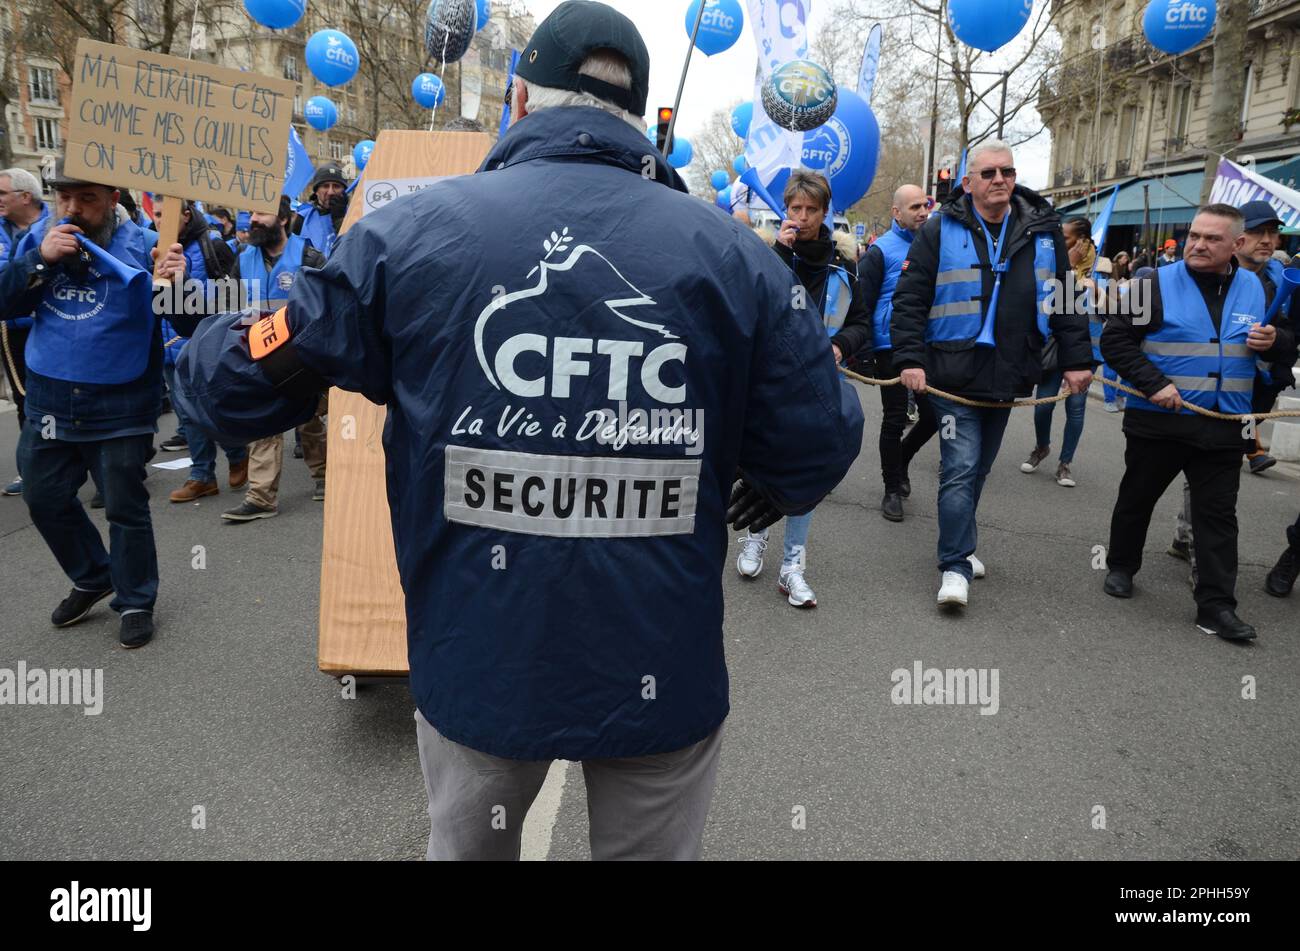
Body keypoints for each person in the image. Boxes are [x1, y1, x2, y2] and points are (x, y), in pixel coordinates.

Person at [176, 0, 862, 860]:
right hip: (660, 666)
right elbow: (822, 438)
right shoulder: (734, 257)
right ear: (641, 123)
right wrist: (769, 480)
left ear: (517, 102)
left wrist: (205, 335)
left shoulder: (408, 238)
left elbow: (239, 388)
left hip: (483, 664)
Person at [890, 139, 1093, 608]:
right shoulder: (939, 229)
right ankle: (955, 566)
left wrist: (1077, 360)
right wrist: (909, 359)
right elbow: (911, 298)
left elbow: (1065, 300)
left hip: (1009, 372)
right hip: (949, 372)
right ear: (967, 183)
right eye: (988, 173)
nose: (999, 179)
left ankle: (962, 540)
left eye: (1007, 171)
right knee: (960, 468)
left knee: (978, 468)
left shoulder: (1043, 233)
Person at [0, 159, 187, 649]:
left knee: (124, 506)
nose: (73, 209)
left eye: (87, 198)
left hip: (121, 400)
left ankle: (136, 600)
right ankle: (92, 575)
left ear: (112, 198)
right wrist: (38, 260)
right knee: (43, 497)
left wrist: (178, 284)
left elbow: (184, 323)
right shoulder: (37, 238)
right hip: (49, 400)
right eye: (65, 197)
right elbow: (5, 304)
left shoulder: (148, 246)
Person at [1101, 204, 1295, 642]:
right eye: (1194, 235)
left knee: (1218, 518)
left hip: (1224, 425)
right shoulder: (1152, 282)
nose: (1198, 245)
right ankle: (1120, 565)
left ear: (1237, 245)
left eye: (1211, 238)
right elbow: (1115, 340)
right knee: (1138, 497)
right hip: (1159, 421)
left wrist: (1275, 341)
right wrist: (1155, 385)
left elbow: (1286, 345)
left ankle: (1216, 607)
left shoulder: (1260, 287)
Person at [735, 169, 867, 607]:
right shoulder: (767, 252)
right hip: (772, 382)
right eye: (796, 208)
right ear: (785, 210)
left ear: (827, 212)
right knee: (767, 462)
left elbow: (861, 323)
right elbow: (744, 308)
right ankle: (756, 535)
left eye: (812, 210)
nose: (804, 217)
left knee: (808, 471)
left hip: (824, 382)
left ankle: (793, 566)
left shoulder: (844, 261)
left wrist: (840, 346)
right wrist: (777, 254)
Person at [825, 183, 937, 522]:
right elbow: (865, 305)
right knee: (894, 418)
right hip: (890, 347)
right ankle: (891, 488)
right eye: (914, 206)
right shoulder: (880, 252)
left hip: (928, 344)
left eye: (925, 205)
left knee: (935, 416)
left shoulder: (934, 245)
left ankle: (902, 456)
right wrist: (869, 353)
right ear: (896, 213)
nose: (922, 212)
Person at [221, 195, 328, 522]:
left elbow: (326, 306)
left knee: (310, 420)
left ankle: (326, 477)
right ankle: (260, 497)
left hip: (301, 356)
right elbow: (233, 308)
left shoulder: (310, 256)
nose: (253, 219)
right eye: (251, 211)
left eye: (261, 212)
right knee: (262, 424)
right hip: (256, 354)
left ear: (283, 219)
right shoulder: (242, 259)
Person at [149, 197, 247, 502]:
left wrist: (187, 283)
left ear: (187, 215)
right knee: (187, 415)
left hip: (205, 345)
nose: (159, 222)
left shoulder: (213, 247)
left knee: (213, 408)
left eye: (168, 215)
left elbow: (232, 300)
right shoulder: (153, 250)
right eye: (157, 215)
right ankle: (201, 476)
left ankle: (236, 452)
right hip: (170, 349)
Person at [1021, 215, 1096, 487]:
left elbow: (1119, 310)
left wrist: (1100, 293)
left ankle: (1065, 464)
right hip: (1054, 348)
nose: (1058, 242)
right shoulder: (1051, 266)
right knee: (1043, 406)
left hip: (1087, 353)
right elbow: (1045, 303)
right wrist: (1069, 270)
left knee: (1076, 408)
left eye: (1064, 238)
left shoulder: (1102, 270)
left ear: (1082, 240)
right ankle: (1042, 447)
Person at [1233, 200, 1297, 475]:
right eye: (1259, 232)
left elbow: (1293, 333)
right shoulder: (1210, 274)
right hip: (1203, 396)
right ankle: (1255, 451)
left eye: (1273, 233)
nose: (1267, 240)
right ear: (1238, 236)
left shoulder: (1280, 282)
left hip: (1259, 386)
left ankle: (1253, 450)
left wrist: (1275, 340)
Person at [0, 167, 51, 498]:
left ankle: (80, 465)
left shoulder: (54, 224)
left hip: (52, 325)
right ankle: (33, 470)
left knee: (61, 396)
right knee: (25, 400)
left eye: (2, 194)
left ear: (25, 196)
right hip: (14, 331)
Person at [293, 165, 349, 256]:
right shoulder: (301, 219)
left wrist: (340, 219)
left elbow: (354, 248)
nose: (330, 192)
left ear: (344, 191)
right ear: (316, 191)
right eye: (325, 186)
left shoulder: (356, 216)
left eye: (336, 186)